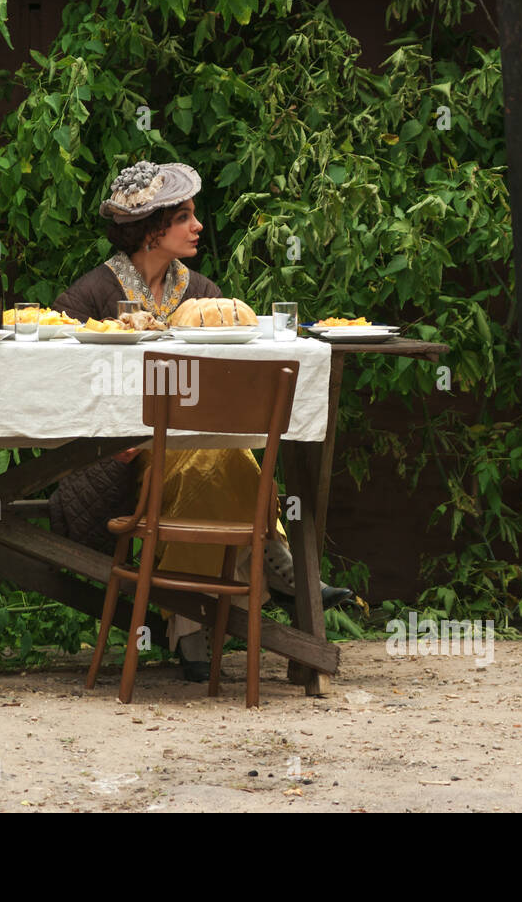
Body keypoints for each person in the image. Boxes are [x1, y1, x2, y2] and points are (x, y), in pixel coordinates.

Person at [50, 160, 353, 681]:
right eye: (185, 216)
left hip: (188, 457)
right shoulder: (90, 296)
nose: (198, 226)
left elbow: (230, 384)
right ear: (151, 228)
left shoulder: (205, 293)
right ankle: (276, 558)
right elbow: (59, 380)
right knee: (219, 452)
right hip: (118, 463)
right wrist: (109, 437)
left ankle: (190, 632)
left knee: (210, 452)